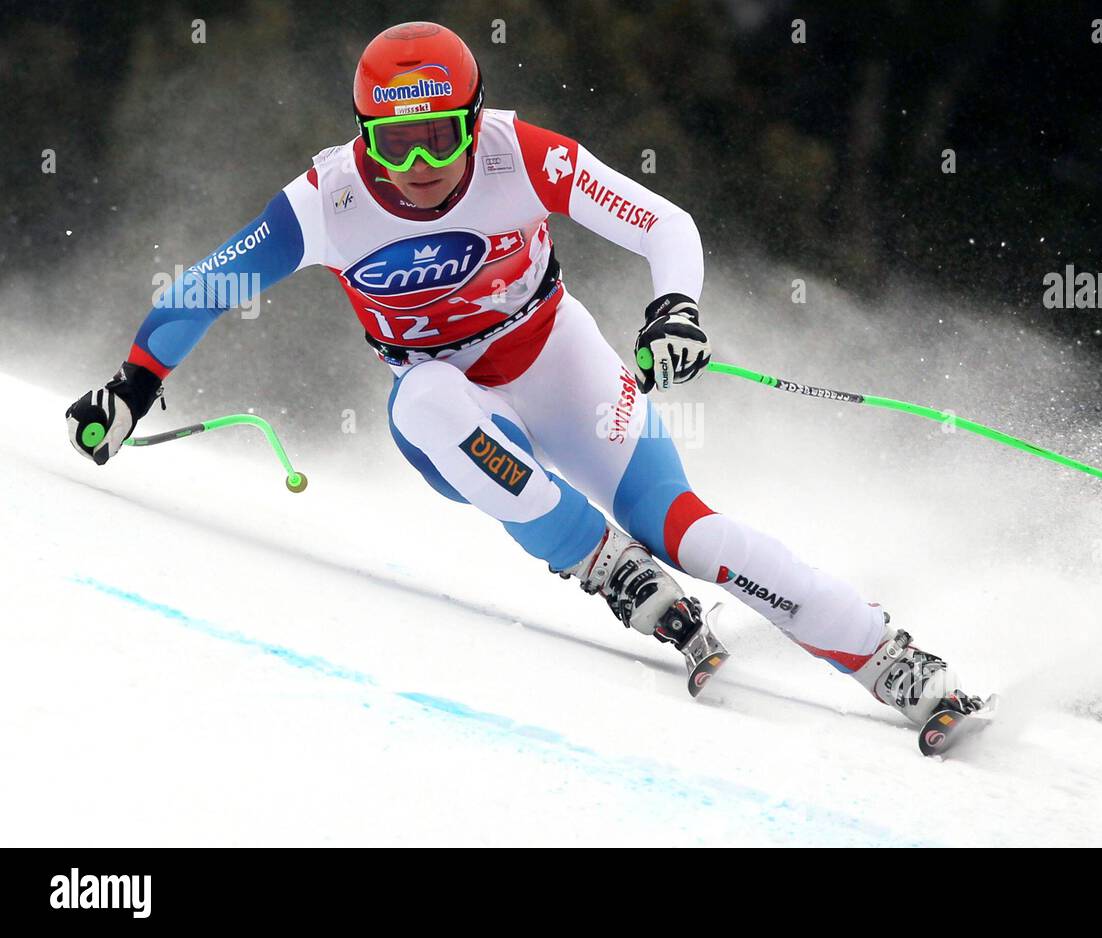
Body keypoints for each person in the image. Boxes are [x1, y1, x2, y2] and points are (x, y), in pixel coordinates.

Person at [66, 22, 983, 724]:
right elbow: (212, 285)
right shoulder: (329, 201)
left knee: (689, 535)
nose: (420, 169)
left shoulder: (518, 155)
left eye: (439, 139)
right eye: (394, 143)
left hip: (560, 358)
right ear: (361, 138)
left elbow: (664, 225)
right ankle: (597, 562)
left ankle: (891, 661)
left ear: (475, 122)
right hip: (447, 405)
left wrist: (676, 308)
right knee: (426, 397)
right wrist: (134, 385)